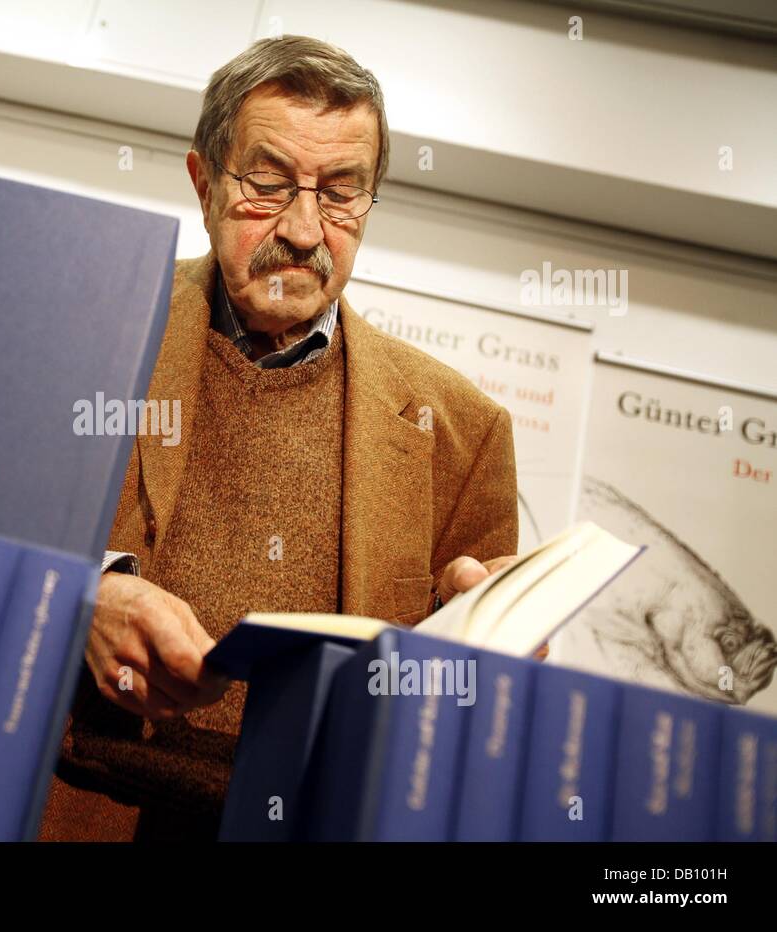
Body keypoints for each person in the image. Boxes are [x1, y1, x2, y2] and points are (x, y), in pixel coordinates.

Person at [40, 35, 519, 842]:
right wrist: (82, 594)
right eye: (267, 182)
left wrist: (494, 658)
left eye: (341, 194)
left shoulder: (462, 433)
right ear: (203, 182)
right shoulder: (70, 334)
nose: (303, 229)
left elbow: (456, 733)